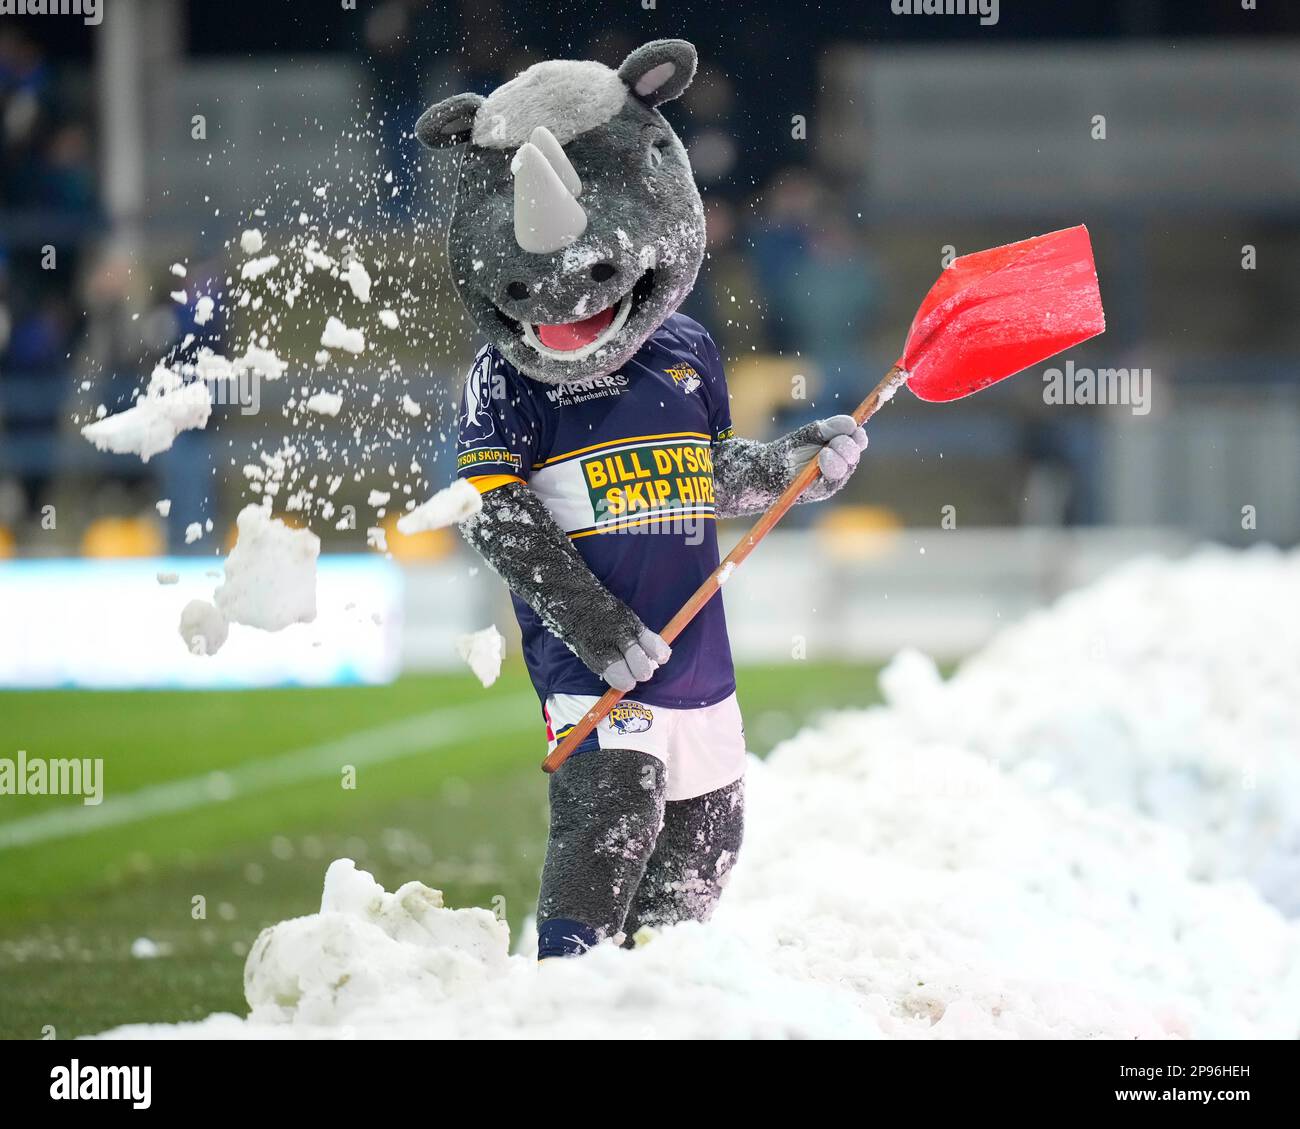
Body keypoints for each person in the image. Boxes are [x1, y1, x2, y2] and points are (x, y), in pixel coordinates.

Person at [416, 40, 867, 959]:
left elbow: (704, 473)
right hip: (598, 669)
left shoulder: (685, 344)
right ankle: (566, 1003)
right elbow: (497, 514)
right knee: (608, 830)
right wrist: (595, 623)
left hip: (697, 659)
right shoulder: (506, 376)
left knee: (709, 840)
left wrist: (788, 463)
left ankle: (654, 1001)